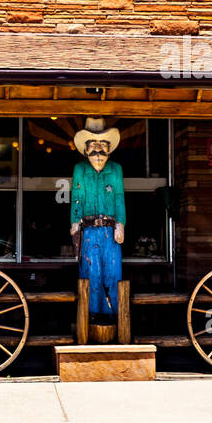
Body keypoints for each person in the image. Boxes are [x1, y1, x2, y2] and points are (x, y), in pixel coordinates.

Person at [69, 117, 126, 322]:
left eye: (103, 145)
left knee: (113, 271)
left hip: (110, 231)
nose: (98, 150)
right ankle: (91, 313)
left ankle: (113, 315)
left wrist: (121, 224)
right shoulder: (80, 169)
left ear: (110, 148)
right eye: (93, 145)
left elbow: (119, 197)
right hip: (89, 230)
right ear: (85, 149)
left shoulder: (116, 169)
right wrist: (74, 223)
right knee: (91, 272)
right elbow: (76, 197)